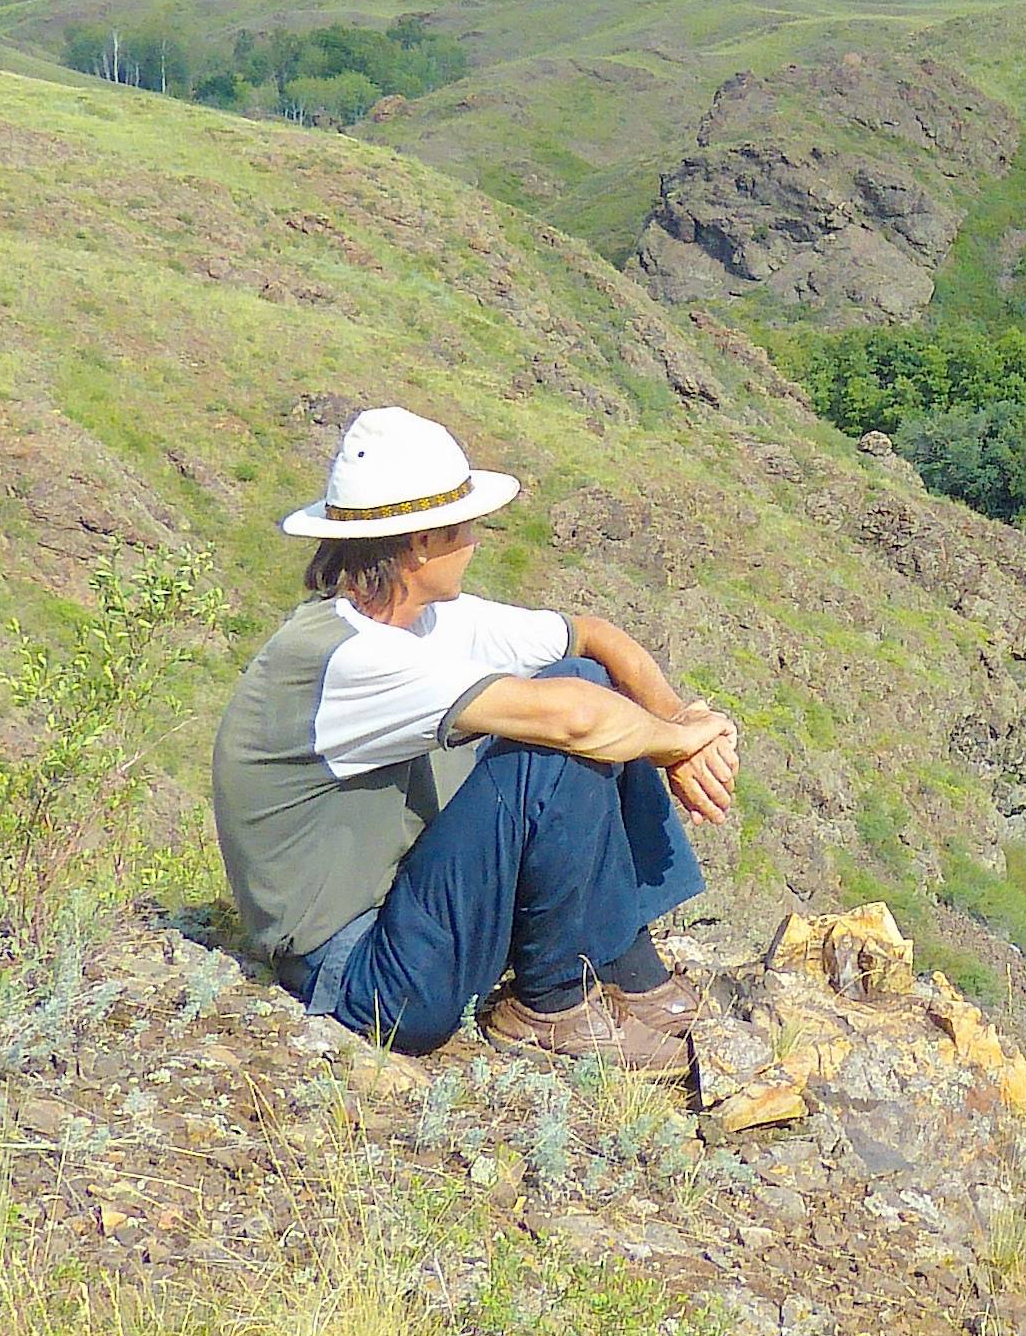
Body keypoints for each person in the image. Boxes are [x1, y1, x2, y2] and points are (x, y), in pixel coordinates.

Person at [212, 406, 739, 1075]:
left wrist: (677, 722)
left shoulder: (426, 621)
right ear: (422, 542)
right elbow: (575, 721)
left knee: (584, 678)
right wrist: (671, 743)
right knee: (554, 742)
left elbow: (594, 635)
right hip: (362, 977)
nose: (476, 541)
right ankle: (552, 1006)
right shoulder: (344, 658)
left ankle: (632, 974)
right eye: (464, 526)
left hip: (400, 918)